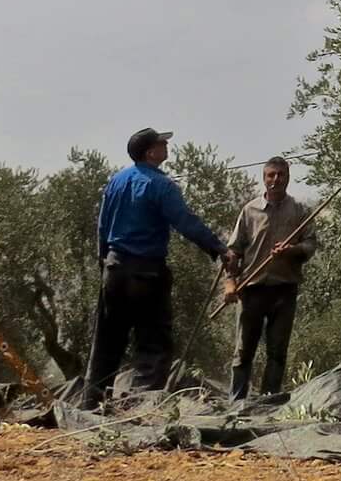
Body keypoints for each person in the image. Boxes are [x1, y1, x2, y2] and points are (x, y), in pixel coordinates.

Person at [68, 127, 236, 407]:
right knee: (153, 342)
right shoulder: (161, 185)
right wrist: (218, 248)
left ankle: (91, 404)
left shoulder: (116, 181)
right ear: (150, 152)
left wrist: (105, 263)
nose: (166, 146)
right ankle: (142, 408)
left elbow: (102, 225)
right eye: (161, 143)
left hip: (114, 269)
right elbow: (185, 221)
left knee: (108, 341)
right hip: (146, 272)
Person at [227, 156, 319, 400]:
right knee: (243, 351)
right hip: (252, 289)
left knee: (277, 351)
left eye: (280, 175)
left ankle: (268, 402)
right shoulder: (250, 210)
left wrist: (291, 250)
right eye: (271, 175)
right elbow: (234, 250)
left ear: (288, 178)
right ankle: (235, 403)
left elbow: (310, 244)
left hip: (284, 289)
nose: (276, 179)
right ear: (264, 178)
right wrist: (230, 282)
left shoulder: (300, 211)